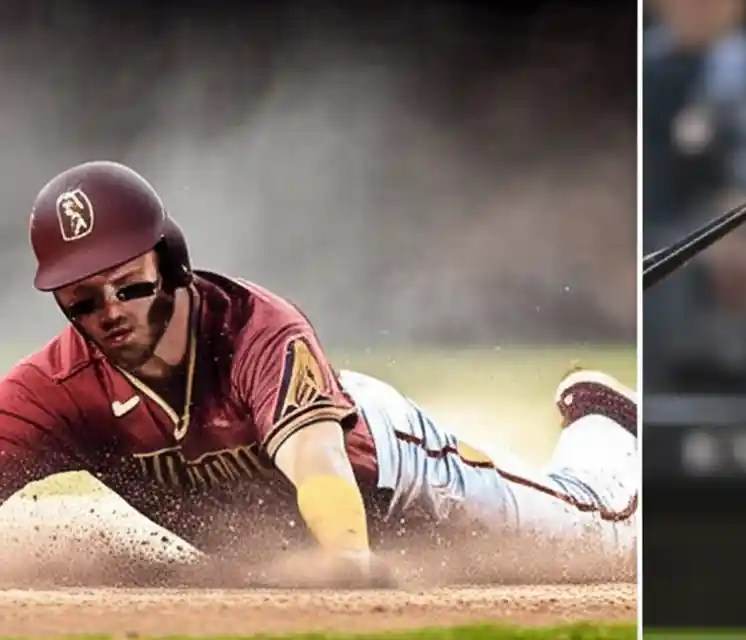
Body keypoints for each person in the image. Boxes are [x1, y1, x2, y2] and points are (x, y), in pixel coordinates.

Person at [1, 160, 637, 587]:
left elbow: (320, 467)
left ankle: (603, 424)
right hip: (319, 525)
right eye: (83, 297)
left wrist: (341, 560)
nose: (109, 311)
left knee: (605, 542)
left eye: (127, 284)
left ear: (170, 262)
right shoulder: (59, 388)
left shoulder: (256, 330)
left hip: (395, 471)